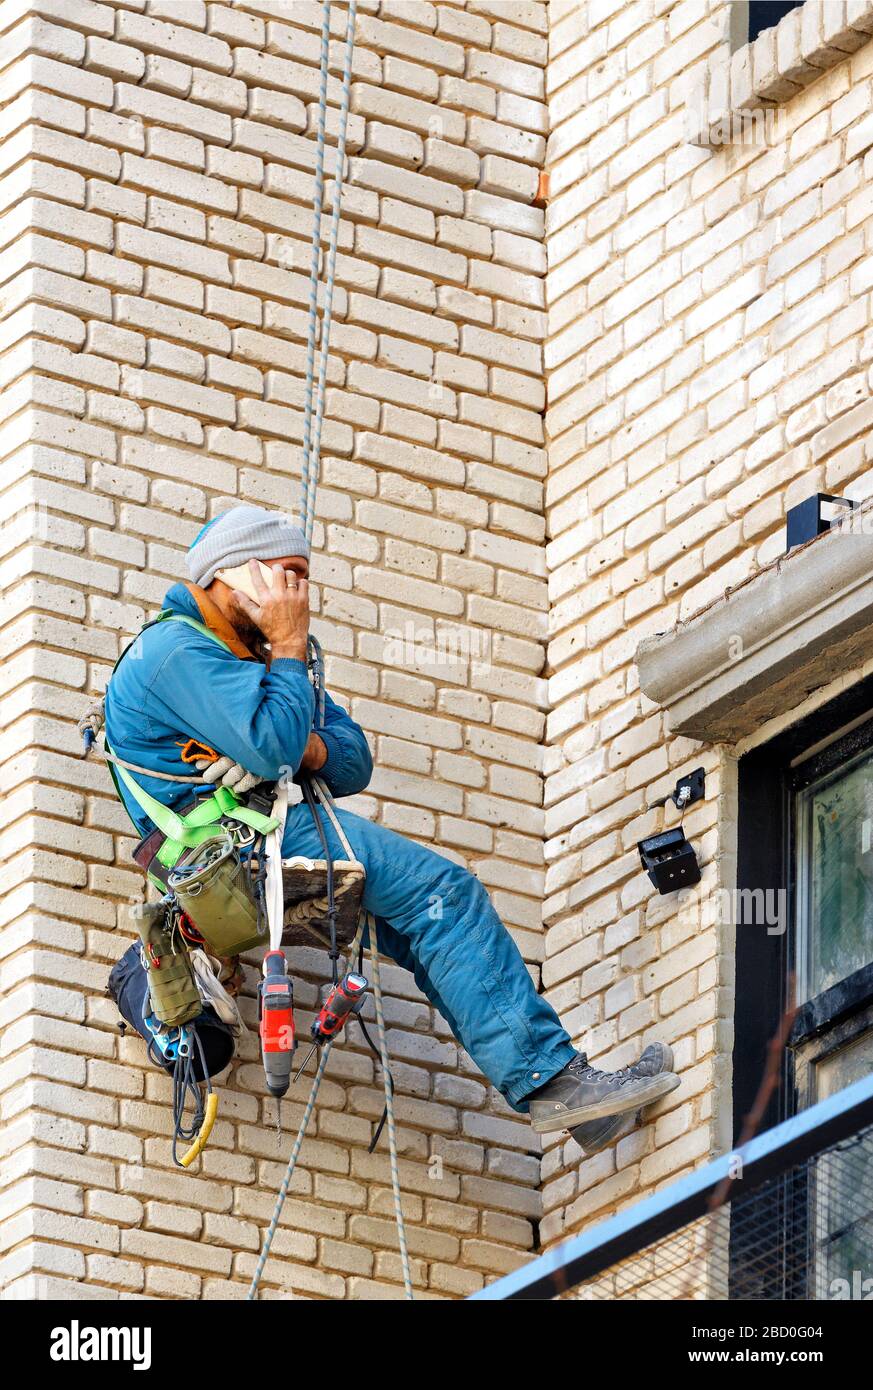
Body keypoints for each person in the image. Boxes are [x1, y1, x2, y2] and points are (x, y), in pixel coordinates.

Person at [104, 505, 680, 1150]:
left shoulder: (260, 660)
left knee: (428, 926)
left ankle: (573, 1103)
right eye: (287, 574)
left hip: (268, 838)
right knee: (447, 895)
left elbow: (352, 759)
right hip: (233, 846)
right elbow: (271, 747)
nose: (298, 595)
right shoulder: (174, 650)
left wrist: (303, 739)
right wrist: (289, 662)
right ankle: (559, 1085)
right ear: (237, 572)